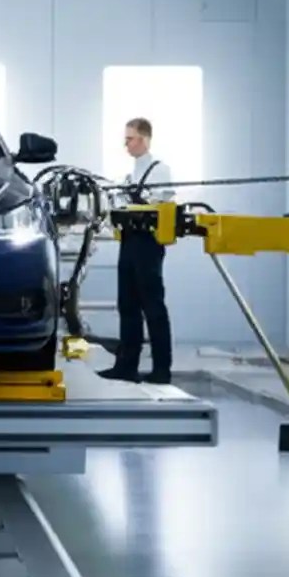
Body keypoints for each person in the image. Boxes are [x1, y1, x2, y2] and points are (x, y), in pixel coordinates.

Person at [98, 117, 174, 384]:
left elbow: (160, 202)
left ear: (143, 139)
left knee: (152, 306)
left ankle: (162, 370)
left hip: (148, 244)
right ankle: (126, 365)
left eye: (129, 138)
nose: (126, 144)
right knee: (127, 304)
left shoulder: (159, 170)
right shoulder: (131, 174)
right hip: (129, 241)